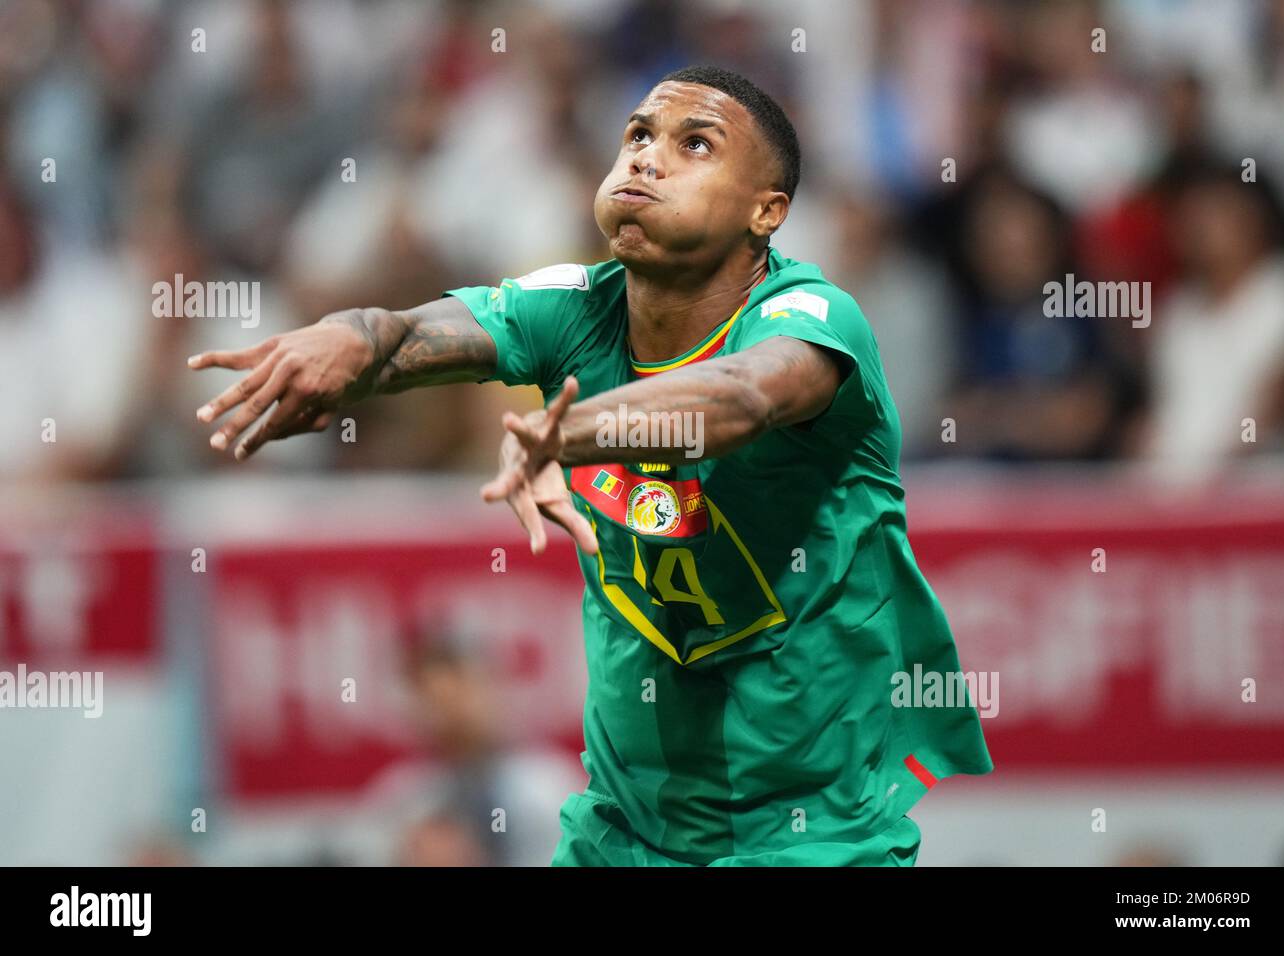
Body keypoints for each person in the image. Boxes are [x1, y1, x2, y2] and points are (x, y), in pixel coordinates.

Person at [190, 65, 993, 866]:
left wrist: (569, 433)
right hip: (628, 829)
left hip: (810, 829)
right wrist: (352, 337)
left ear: (767, 211)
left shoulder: (812, 317)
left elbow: (740, 398)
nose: (647, 157)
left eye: (695, 144)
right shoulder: (573, 306)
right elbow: (401, 336)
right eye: (638, 135)